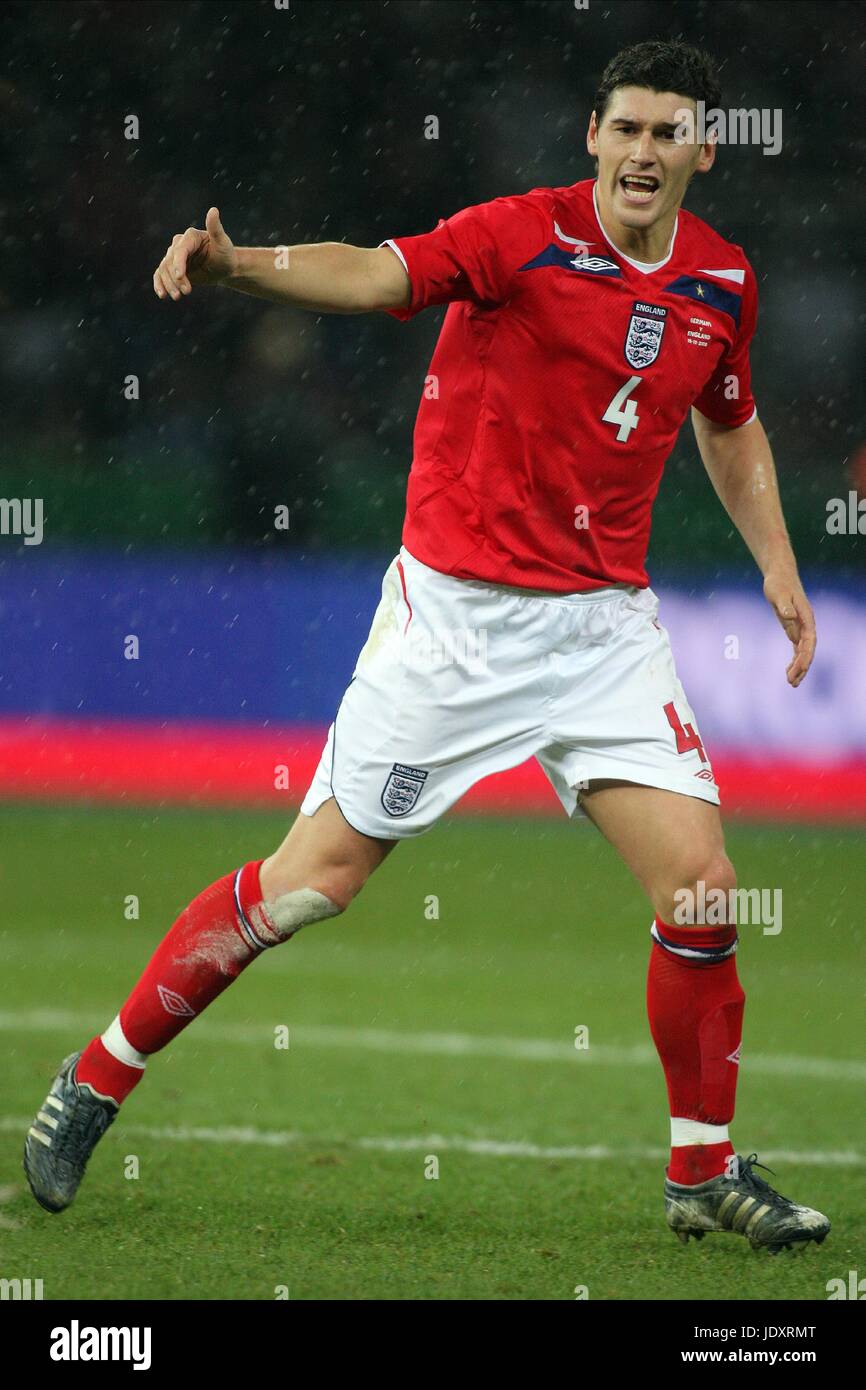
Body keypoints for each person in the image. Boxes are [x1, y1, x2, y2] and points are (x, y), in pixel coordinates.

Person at [25, 39, 828, 1254]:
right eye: (626, 129)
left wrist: (772, 556)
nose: (644, 152)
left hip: (602, 627)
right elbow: (375, 275)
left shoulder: (721, 281)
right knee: (308, 887)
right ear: (592, 139)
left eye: (670, 132)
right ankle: (95, 1076)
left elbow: (729, 420)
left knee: (704, 892)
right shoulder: (520, 234)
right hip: (452, 621)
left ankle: (700, 1171)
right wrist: (241, 267)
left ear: (704, 150)